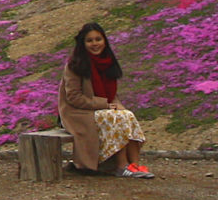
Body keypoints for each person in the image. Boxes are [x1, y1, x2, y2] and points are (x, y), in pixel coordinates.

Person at [59, 22, 150, 178]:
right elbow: (74, 98)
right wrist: (106, 105)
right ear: (83, 43)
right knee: (115, 118)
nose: (95, 44)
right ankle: (121, 166)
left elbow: (112, 95)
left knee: (127, 115)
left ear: (104, 41)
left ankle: (135, 165)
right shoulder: (75, 64)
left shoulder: (107, 62)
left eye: (98, 39)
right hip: (77, 112)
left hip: (100, 108)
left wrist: (119, 108)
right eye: (90, 41)